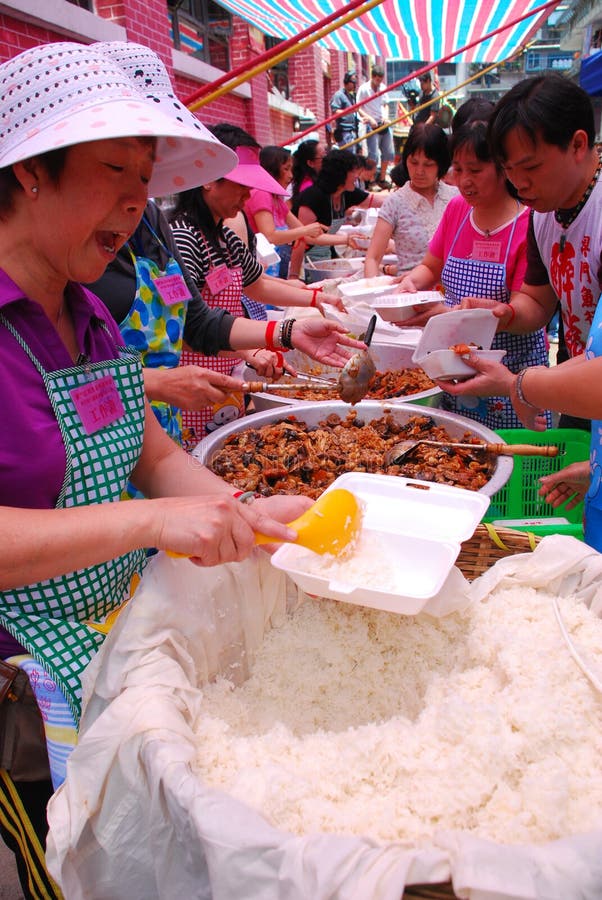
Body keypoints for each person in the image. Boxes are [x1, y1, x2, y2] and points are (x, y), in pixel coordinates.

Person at [0, 42, 365, 897]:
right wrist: (153, 523)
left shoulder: (88, 308)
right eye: (115, 169)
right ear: (29, 174)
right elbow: (143, 506)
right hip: (27, 681)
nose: (138, 200)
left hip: (125, 639)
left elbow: (155, 455)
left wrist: (247, 507)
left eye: (147, 175)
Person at [169, 134, 354, 441]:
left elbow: (257, 284)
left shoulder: (224, 237)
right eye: (241, 185)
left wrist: (316, 297)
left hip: (227, 368)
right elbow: (187, 327)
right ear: (208, 181)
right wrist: (250, 349)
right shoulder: (184, 236)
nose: (247, 194)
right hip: (194, 375)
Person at [463, 74, 602, 433]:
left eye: (530, 168)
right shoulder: (542, 214)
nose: (519, 184)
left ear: (578, 145)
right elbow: (539, 303)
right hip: (576, 385)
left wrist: (520, 386)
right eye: (509, 171)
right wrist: (504, 313)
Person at [398, 114, 550, 430]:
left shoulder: (529, 224)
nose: (464, 180)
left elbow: (528, 311)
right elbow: (430, 266)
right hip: (455, 367)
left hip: (510, 377)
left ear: (503, 169)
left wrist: (472, 315)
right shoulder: (457, 210)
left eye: (476, 171)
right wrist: (410, 284)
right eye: (459, 169)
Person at [364, 123, 458, 278]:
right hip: (410, 293)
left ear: (441, 165)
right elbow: (373, 258)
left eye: (428, 165)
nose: (419, 171)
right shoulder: (395, 203)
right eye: (414, 162)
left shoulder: (456, 198)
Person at [289, 148, 387, 277]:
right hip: (303, 262)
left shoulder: (346, 193)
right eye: (353, 171)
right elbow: (303, 237)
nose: (357, 176)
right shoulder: (313, 197)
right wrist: (293, 276)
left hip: (325, 260)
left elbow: (378, 201)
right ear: (341, 174)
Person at [244, 145, 327, 280]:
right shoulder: (261, 194)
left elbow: (304, 232)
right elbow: (270, 236)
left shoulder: (276, 199)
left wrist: (347, 240)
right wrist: (305, 231)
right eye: (286, 169)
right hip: (262, 272)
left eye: (291, 169)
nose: (291, 175)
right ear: (272, 170)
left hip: (275, 270)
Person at [356, 64, 395, 187]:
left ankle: (382, 179)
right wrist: (369, 118)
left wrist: (386, 116)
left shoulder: (383, 88)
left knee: (388, 152)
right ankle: (371, 180)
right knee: (373, 154)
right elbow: (358, 108)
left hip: (383, 123)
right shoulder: (363, 89)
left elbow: (385, 104)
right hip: (370, 124)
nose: (379, 83)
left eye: (380, 80)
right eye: (377, 79)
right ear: (372, 77)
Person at [330, 71, 359, 147]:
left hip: (352, 131)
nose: (354, 85)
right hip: (344, 132)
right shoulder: (339, 95)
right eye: (353, 82)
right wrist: (350, 111)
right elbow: (335, 112)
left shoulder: (350, 96)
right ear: (347, 81)